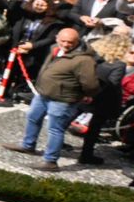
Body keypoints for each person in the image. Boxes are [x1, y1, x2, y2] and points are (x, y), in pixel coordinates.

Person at [8, 27, 98, 170]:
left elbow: (90, 84)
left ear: (77, 41)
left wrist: (86, 95)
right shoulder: (55, 48)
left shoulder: (84, 59)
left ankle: (50, 161)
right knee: (33, 117)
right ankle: (28, 145)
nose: (66, 44)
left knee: (55, 129)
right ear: (57, 38)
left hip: (62, 99)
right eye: (63, 41)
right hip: (44, 94)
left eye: (70, 42)